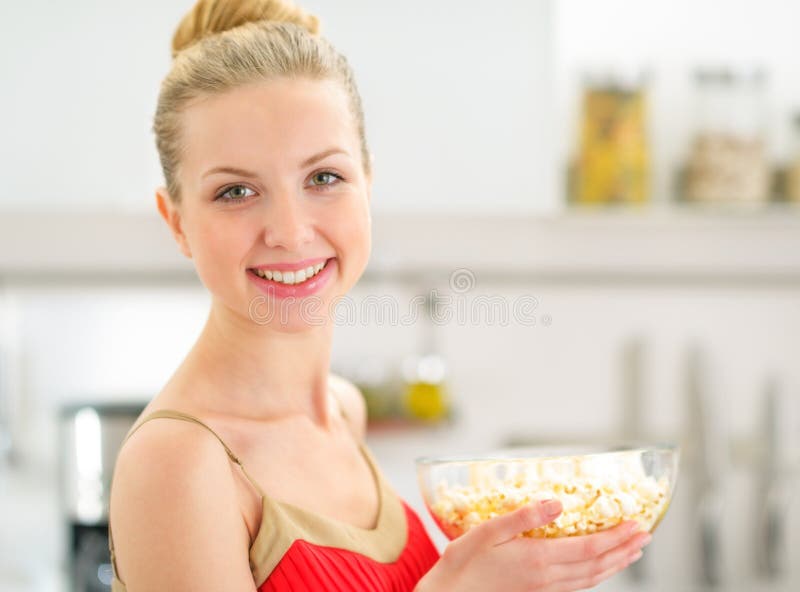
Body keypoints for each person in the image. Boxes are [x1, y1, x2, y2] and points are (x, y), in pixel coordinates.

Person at [107, 1, 653, 590]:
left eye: (323, 178)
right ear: (176, 221)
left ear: (367, 181)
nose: (289, 232)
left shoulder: (343, 411)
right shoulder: (178, 463)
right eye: (236, 191)